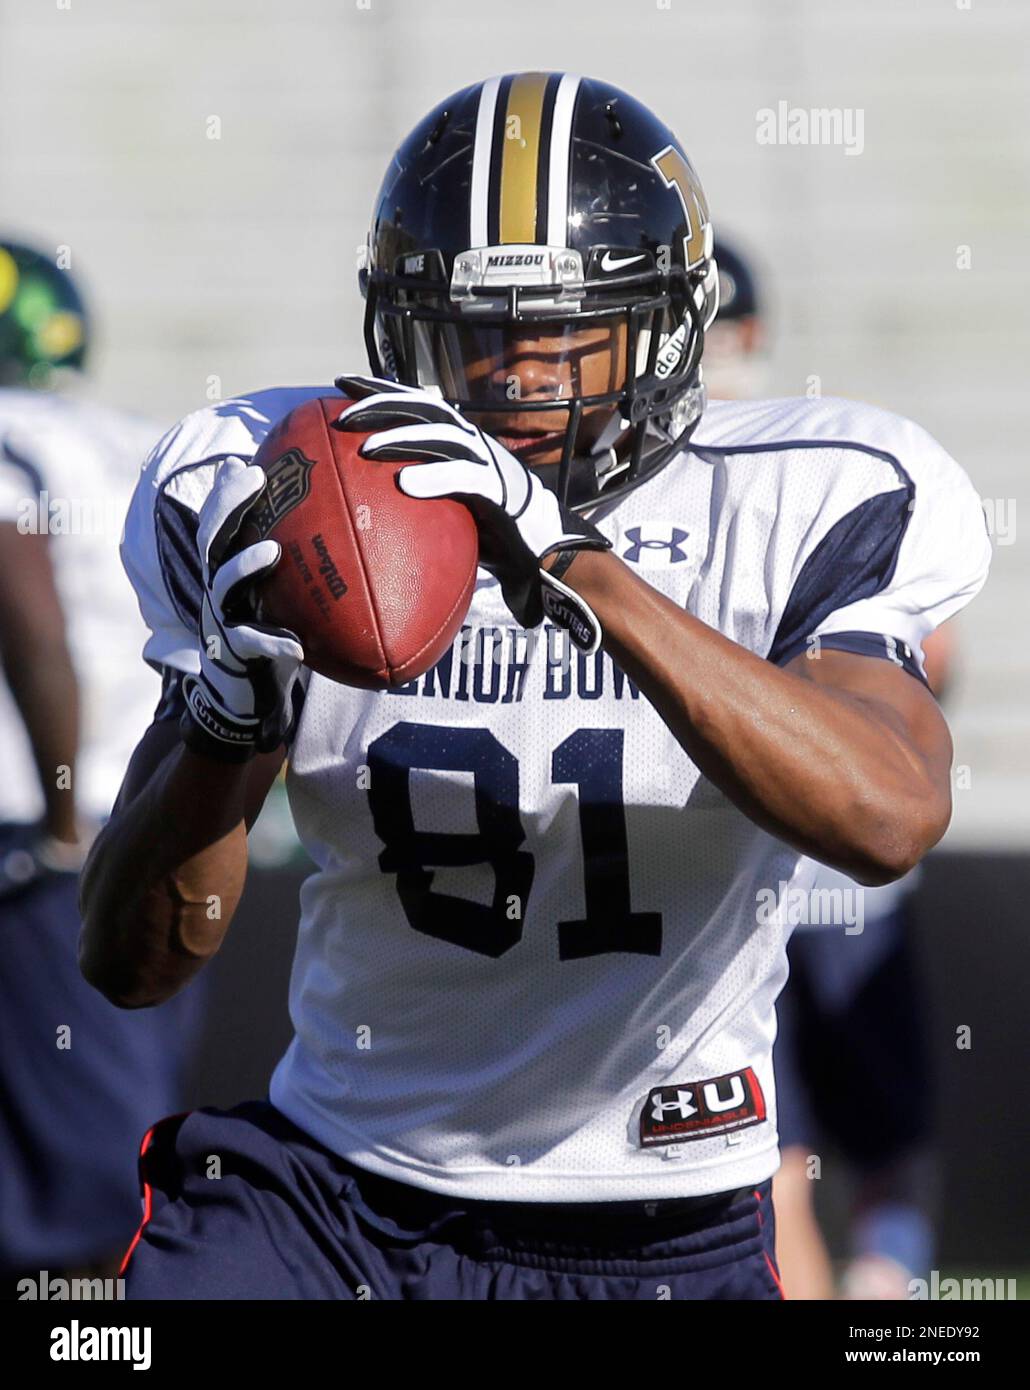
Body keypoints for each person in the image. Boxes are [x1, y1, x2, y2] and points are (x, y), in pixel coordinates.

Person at [80, 73, 990, 1301]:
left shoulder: (796, 494)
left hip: (658, 1217)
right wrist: (223, 720)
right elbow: (132, 963)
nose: (519, 378)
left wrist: (576, 569)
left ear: (669, 327)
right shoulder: (291, 495)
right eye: (478, 333)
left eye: (570, 332)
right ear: (398, 331)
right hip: (333, 1193)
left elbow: (883, 816)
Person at [704, 236, 954, 1300]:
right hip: (830, 885)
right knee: (872, 1154)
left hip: (731, 883)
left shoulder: (641, 483)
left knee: (782, 1167)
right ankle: (878, 1306)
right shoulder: (817, 462)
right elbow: (931, 660)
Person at [0, 239, 199, 1285]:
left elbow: (28, 618)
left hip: (49, 843)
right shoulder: (134, 440)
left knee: (79, 1182)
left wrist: (66, 816)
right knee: (130, 1128)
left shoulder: (12, 441)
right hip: (164, 820)